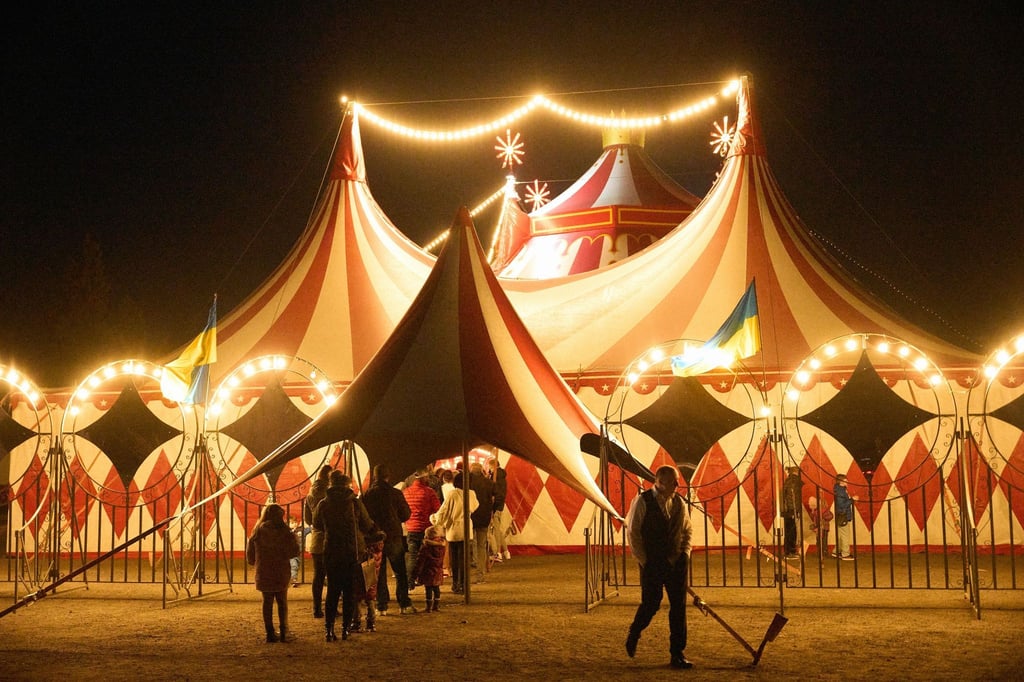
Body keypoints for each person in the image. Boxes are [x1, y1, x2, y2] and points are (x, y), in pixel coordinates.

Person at [624, 465, 694, 670]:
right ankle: (635, 631)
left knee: (678, 607)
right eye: (673, 482)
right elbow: (633, 533)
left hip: (677, 562)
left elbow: (687, 529)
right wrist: (645, 561)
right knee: (651, 603)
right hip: (652, 562)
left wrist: (685, 553)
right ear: (660, 482)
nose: (677, 485)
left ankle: (677, 653)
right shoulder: (642, 501)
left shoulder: (679, 502)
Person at [313, 471, 381, 641]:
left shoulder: (323, 503)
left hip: (331, 550)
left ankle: (329, 630)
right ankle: (345, 629)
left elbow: (317, 524)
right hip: (352, 551)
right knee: (349, 591)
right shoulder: (354, 503)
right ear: (346, 485)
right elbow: (367, 524)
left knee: (333, 591)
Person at [360, 464, 414, 616]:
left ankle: (381, 605)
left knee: (379, 572)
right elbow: (406, 514)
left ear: (375, 476)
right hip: (394, 535)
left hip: (375, 536)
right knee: (400, 571)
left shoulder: (367, 495)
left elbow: (363, 518)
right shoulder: (395, 493)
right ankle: (403, 603)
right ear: (387, 476)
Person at [246, 503, 300, 643]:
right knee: (282, 601)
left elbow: (250, 555)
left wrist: (255, 562)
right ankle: (284, 631)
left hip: (264, 571)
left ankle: (269, 632)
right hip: (281, 570)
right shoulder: (285, 532)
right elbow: (294, 551)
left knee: (267, 602)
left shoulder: (257, 531)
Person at [430, 471, 478, 594]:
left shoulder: (453, 494)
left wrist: (433, 519)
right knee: (465, 559)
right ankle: (464, 583)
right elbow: (475, 506)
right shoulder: (472, 494)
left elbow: (444, 511)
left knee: (455, 560)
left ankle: (456, 583)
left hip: (454, 530)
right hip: (467, 528)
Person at [403, 468, 441, 594]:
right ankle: (425, 582)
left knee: (412, 556)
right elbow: (437, 509)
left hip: (411, 528)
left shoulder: (406, 492)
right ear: (423, 478)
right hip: (426, 529)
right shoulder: (429, 492)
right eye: (427, 477)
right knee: (427, 558)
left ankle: (409, 582)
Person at [304, 464, 331, 618]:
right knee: (333, 575)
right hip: (330, 538)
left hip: (317, 538)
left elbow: (308, 519)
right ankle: (330, 607)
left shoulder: (309, 495)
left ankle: (317, 608)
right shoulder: (329, 495)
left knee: (318, 575)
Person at [468, 462, 494, 583]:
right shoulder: (489, 483)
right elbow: (496, 497)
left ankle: (466, 575)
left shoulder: (467, 483)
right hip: (484, 516)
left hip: (470, 517)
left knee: (468, 544)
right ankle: (480, 574)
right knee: (481, 546)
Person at [412, 523, 447, 612]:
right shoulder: (442, 546)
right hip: (438, 571)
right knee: (436, 588)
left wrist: (415, 574)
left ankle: (428, 607)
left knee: (428, 589)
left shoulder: (426, 547)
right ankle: (436, 606)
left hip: (427, 571)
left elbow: (420, 561)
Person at [488, 457, 511, 562]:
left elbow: (495, 493)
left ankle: (497, 552)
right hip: (500, 505)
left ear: (493, 466)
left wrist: (493, 506)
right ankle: (506, 551)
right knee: (498, 529)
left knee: (495, 531)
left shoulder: (495, 477)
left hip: (496, 506)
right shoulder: (501, 477)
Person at [833, 473, 857, 560]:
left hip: (840, 515)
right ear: (841, 482)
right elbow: (842, 505)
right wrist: (852, 500)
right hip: (843, 515)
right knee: (845, 535)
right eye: (846, 480)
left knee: (841, 535)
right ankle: (845, 554)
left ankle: (836, 551)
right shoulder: (841, 491)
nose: (847, 481)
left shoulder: (839, 490)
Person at [781, 466, 803, 558]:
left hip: (788, 510)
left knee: (789, 531)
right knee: (792, 531)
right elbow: (794, 498)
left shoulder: (788, 481)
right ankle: (790, 551)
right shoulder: (794, 481)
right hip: (791, 510)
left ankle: (789, 551)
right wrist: (795, 511)